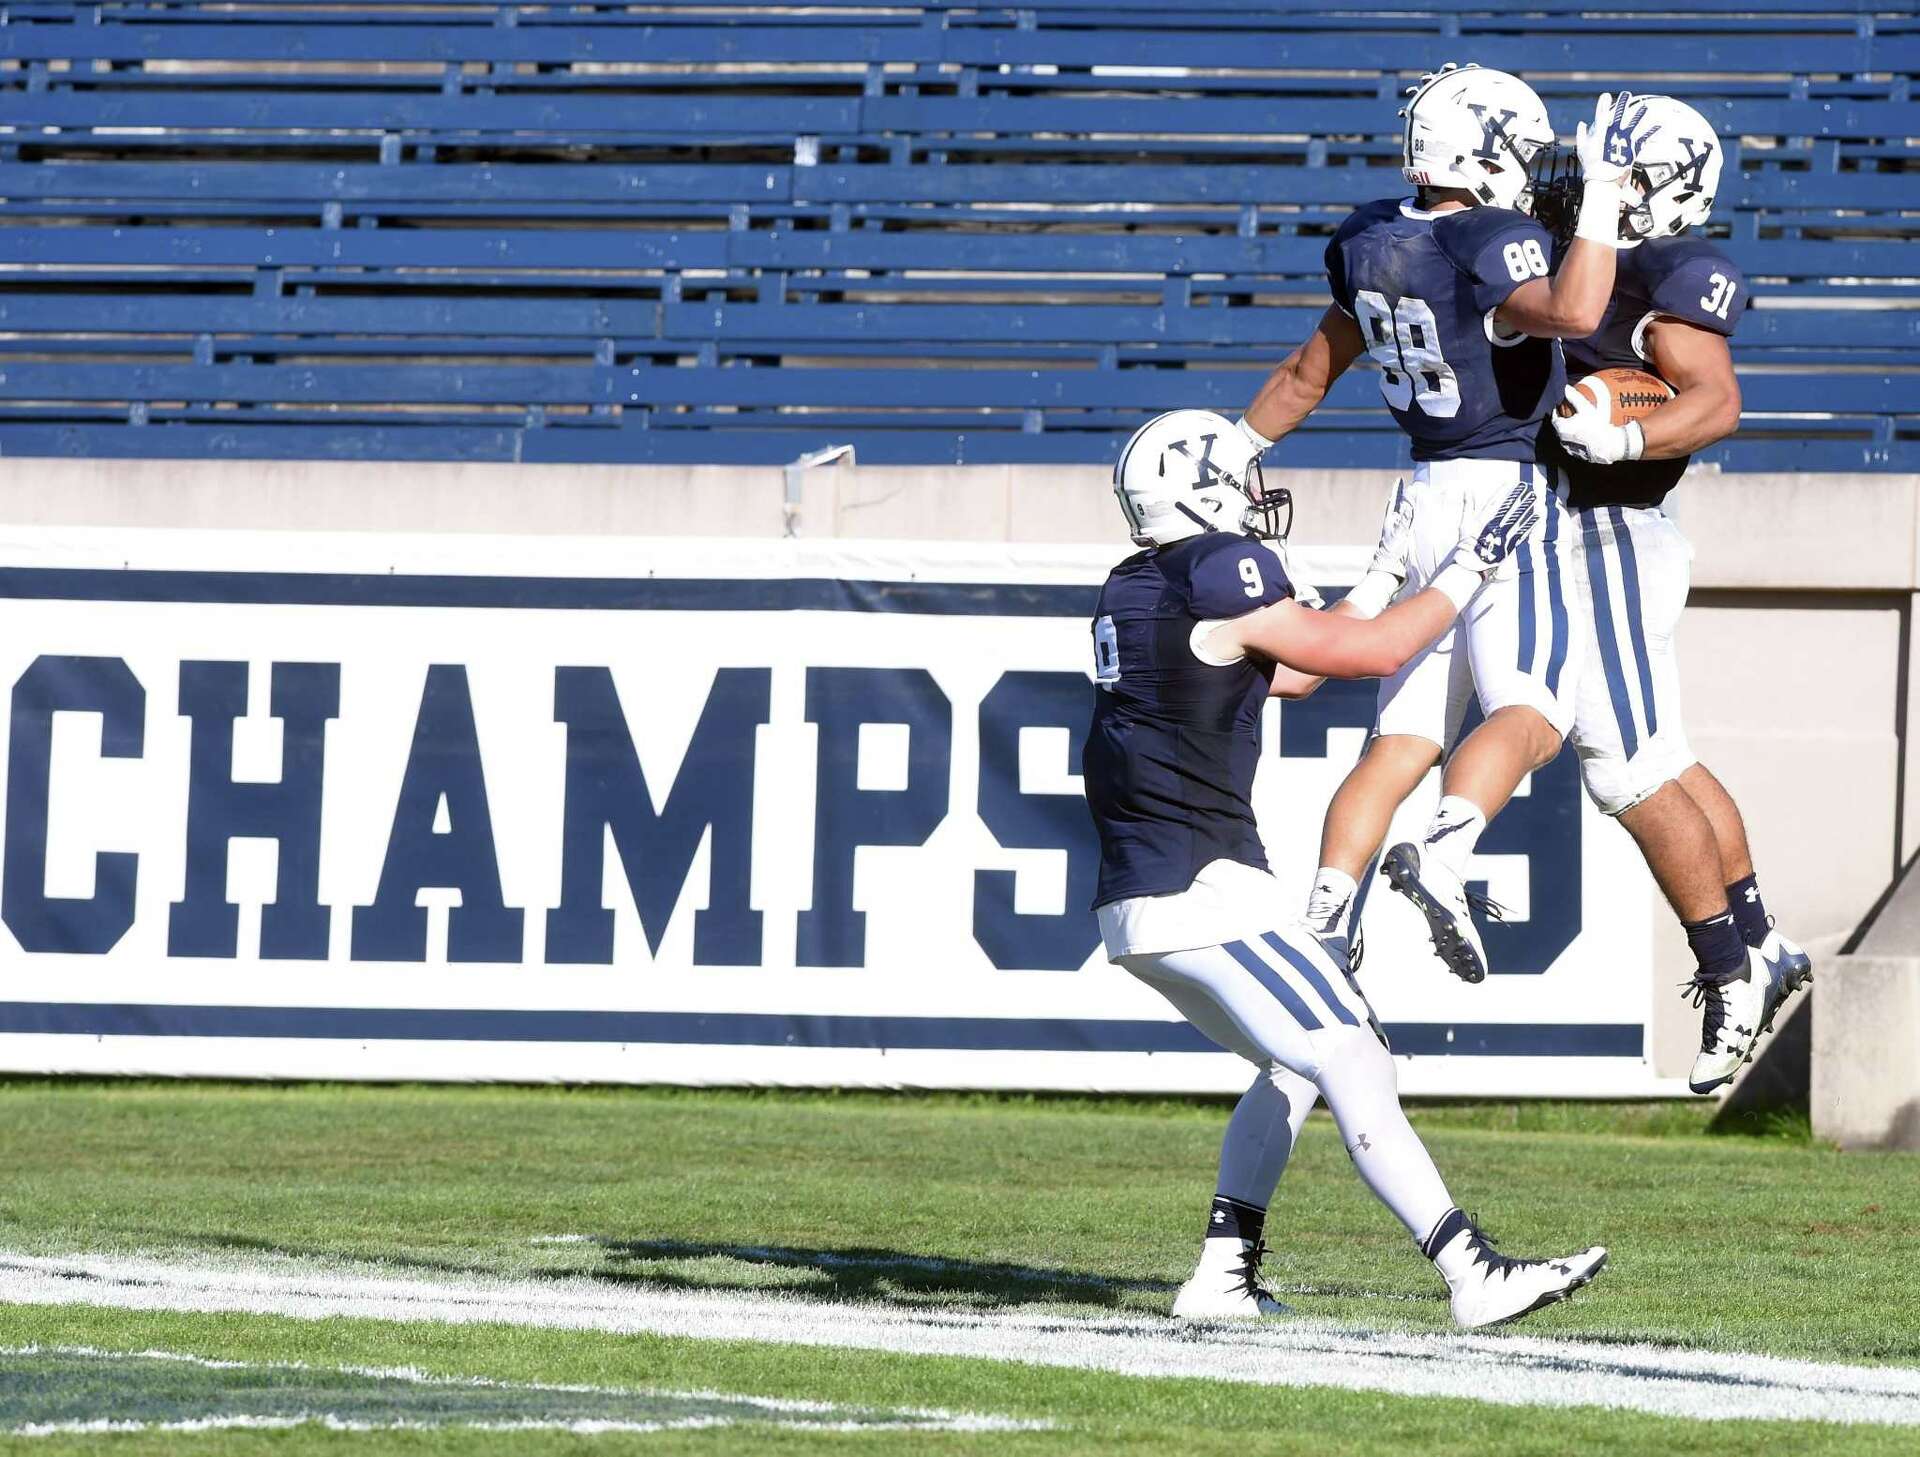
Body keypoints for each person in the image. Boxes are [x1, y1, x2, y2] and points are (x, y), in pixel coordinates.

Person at [1087, 407, 1605, 1328]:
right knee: (1353, 1047)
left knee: (1294, 1065)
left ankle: (1222, 1272)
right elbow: (1369, 653)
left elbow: (1294, 670)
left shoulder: (1140, 581)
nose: (1253, 495)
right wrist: (1464, 569)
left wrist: (1377, 576)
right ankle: (1471, 1271)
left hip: (1146, 896)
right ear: (1198, 485)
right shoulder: (1217, 565)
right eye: (1237, 476)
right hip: (1200, 885)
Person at [1228, 64, 1651, 984]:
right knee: (1532, 712)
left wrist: (1232, 451)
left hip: (1414, 495)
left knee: (1406, 737)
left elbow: (1306, 375)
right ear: (1487, 152)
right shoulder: (1488, 239)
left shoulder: (1373, 236)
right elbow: (1575, 310)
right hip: (1501, 496)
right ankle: (1447, 852)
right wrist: (1605, 200)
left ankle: (1325, 914)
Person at [1541, 94, 1813, 1092]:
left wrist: (1627, 431)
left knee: (1623, 767)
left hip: (1609, 525)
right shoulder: (1583, 250)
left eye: (1632, 179)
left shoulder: (1666, 269)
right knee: (1665, 753)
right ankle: (1762, 937)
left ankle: (1729, 968)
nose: (1605, 195)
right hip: (1584, 529)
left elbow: (1715, 398)